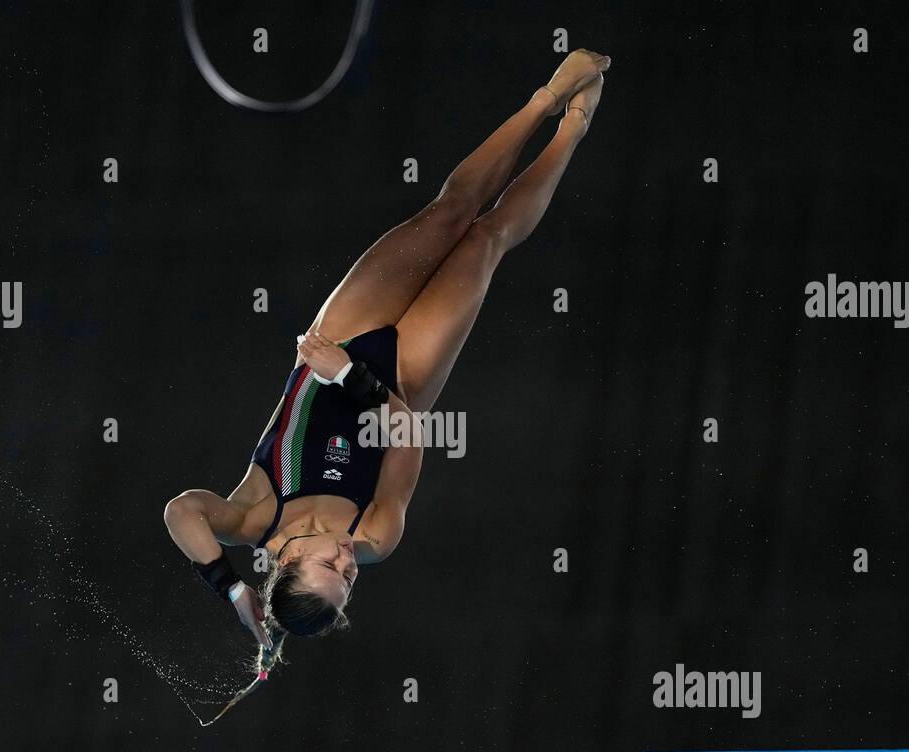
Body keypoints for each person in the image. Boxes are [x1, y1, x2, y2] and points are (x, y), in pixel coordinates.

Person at [164, 49, 610, 674]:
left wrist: (233, 590)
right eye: (347, 581)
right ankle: (574, 126)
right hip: (399, 382)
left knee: (451, 211)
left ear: (288, 562)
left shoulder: (252, 517)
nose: (348, 565)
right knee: (486, 239)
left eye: (330, 568)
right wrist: (349, 378)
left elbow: (180, 510)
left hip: (343, 332)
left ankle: (543, 100)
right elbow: (409, 443)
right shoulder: (375, 539)